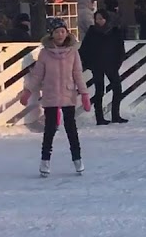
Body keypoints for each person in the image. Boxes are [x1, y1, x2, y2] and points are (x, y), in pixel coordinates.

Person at [20, 18, 92, 177]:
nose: (60, 34)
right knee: (50, 129)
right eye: (57, 32)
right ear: (51, 34)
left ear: (67, 33)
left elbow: (78, 74)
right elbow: (37, 75)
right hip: (51, 94)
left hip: (68, 94)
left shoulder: (73, 52)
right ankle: (45, 161)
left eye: (63, 31)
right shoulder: (44, 53)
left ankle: (77, 158)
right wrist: (28, 91)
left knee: (71, 128)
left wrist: (84, 93)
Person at [80, 9, 126, 125]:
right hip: (97, 65)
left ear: (107, 19)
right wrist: (88, 63)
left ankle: (116, 115)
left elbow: (120, 49)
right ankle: (99, 117)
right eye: (97, 19)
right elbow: (84, 49)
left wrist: (118, 63)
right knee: (99, 91)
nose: (99, 21)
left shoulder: (115, 32)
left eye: (101, 18)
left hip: (111, 65)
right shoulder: (92, 32)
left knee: (117, 89)